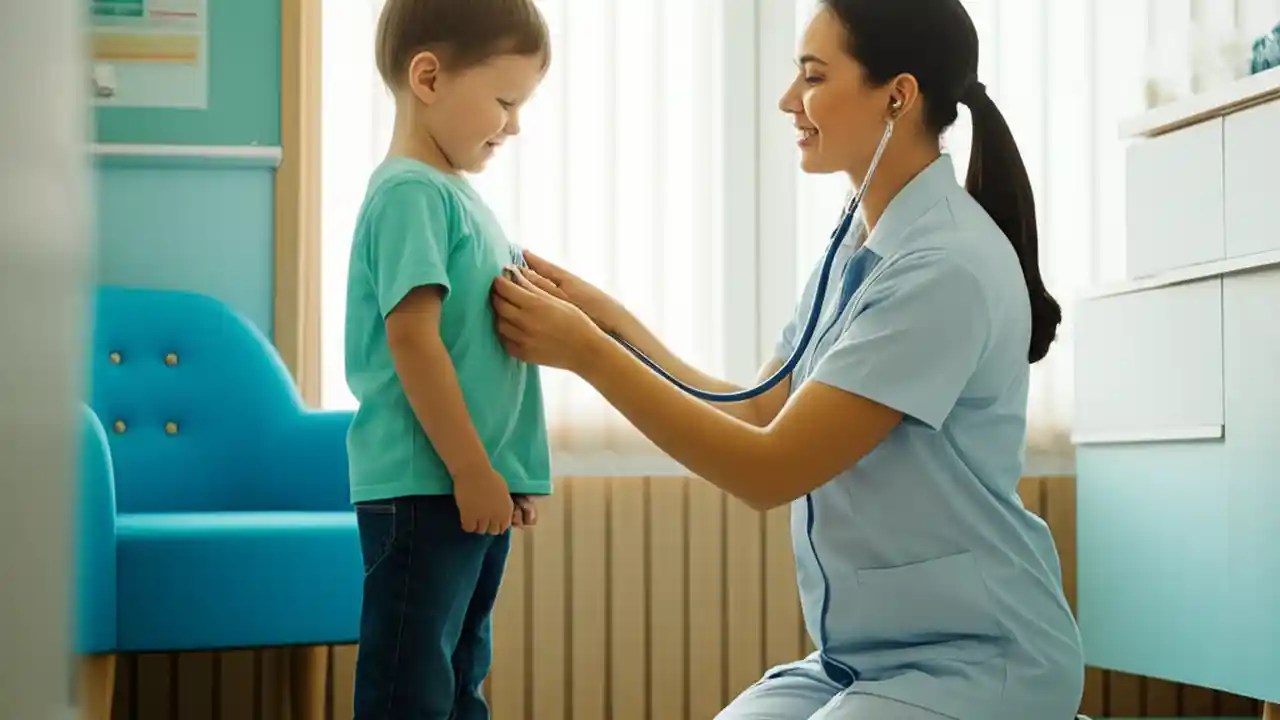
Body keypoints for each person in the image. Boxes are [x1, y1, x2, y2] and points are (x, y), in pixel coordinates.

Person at [491, 0, 1084, 717]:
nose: (787, 101)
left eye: (811, 76)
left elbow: (771, 469)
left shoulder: (945, 267)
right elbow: (763, 407)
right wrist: (610, 323)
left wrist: (588, 355)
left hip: (980, 659)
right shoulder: (863, 243)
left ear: (897, 95)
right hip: (859, 660)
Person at [341, 1, 552, 717]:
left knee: (460, 670)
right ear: (427, 76)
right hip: (425, 486)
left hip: (462, 488)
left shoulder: (455, 197)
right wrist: (470, 467)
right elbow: (414, 339)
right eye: (504, 101)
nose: (514, 125)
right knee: (411, 684)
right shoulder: (409, 194)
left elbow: (479, 350)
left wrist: (501, 467)